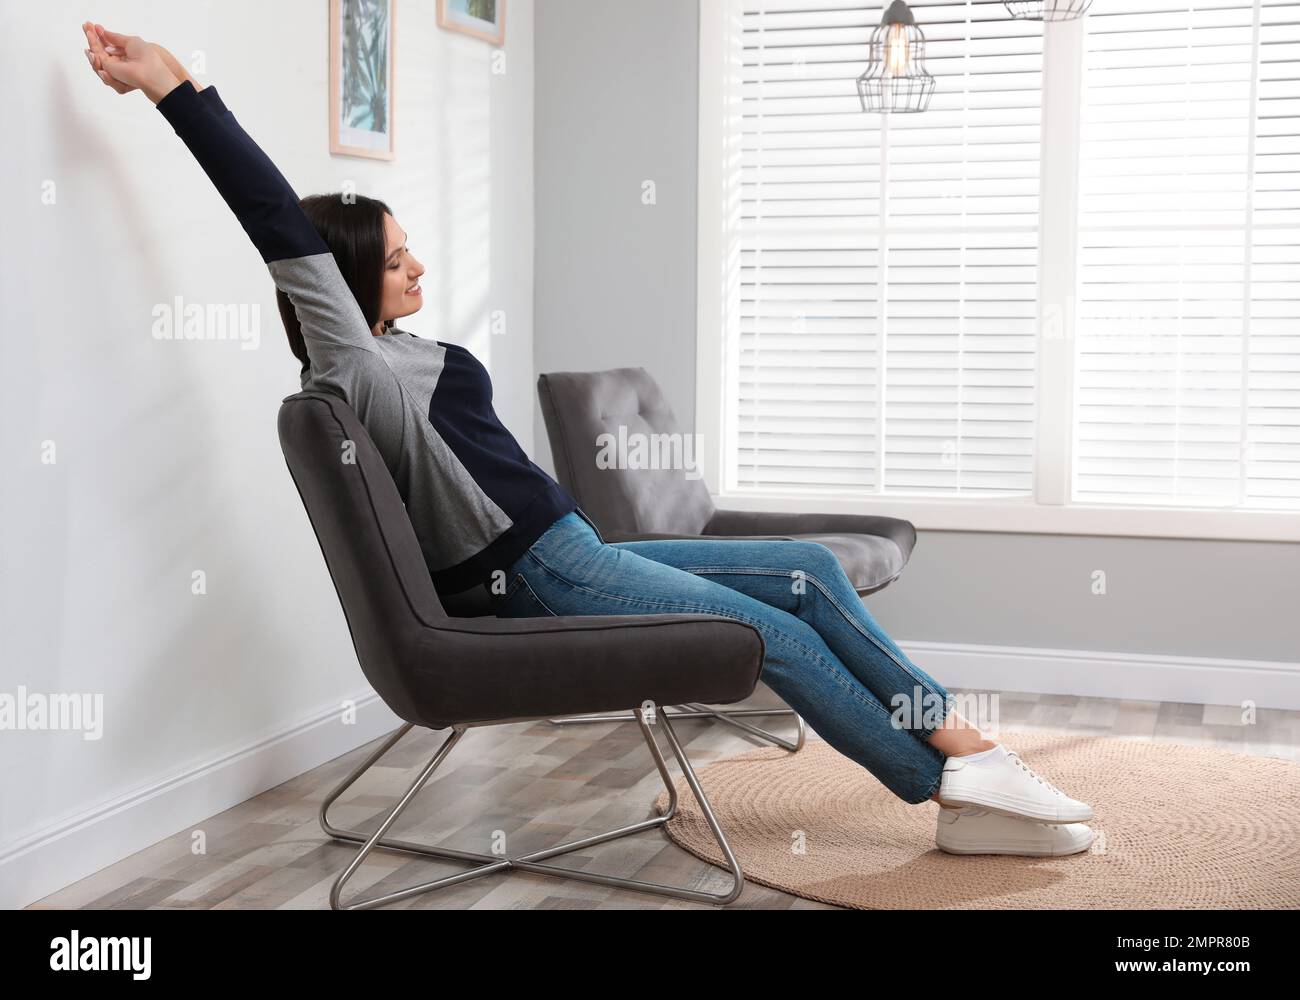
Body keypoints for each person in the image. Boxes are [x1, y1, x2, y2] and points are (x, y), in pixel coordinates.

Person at [81, 22, 1096, 859]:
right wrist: (175, 87)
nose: (419, 268)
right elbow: (274, 218)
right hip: (543, 573)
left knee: (804, 569)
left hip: (574, 553)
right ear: (342, 287)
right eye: (395, 262)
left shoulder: (388, 348)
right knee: (771, 636)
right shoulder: (355, 366)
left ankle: (960, 747)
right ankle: (953, 785)